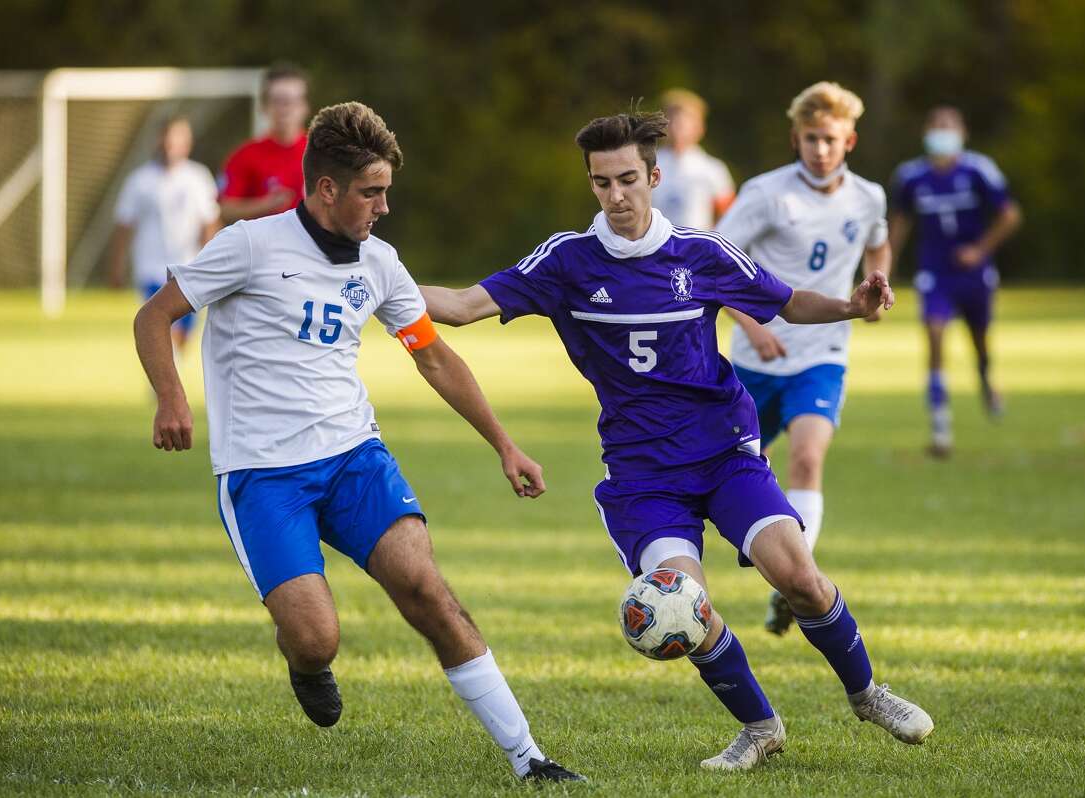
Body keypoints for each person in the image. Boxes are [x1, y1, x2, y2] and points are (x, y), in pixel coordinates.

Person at [421, 109, 933, 772]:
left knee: (799, 576)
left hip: (723, 453)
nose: (616, 195)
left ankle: (868, 693)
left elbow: (783, 299)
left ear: (655, 176)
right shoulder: (567, 261)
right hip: (642, 477)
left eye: (628, 179)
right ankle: (759, 727)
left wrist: (852, 307)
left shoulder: (699, 253)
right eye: (602, 183)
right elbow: (462, 306)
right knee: (682, 608)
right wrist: (374, 283)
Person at [132, 101, 584, 783]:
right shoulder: (251, 244)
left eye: (386, 191)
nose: (384, 206)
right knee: (317, 639)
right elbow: (153, 316)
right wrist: (172, 398)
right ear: (326, 190)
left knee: (427, 589)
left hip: (353, 459)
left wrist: (505, 444)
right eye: (372, 192)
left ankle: (531, 760)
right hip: (263, 475)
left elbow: (434, 358)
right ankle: (304, 660)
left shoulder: (381, 263)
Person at [712, 82, 890, 636]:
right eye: (811, 138)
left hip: (823, 353)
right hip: (755, 361)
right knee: (724, 473)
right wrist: (752, 325)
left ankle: (797, 586)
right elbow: (714, 262)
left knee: (808, 461)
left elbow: (878, 242)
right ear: (796, 138)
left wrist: (877, 286)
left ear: (849, 141)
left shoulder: (868, 197)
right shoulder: (766, 193)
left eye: (830, 139)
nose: (820, 149)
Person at [888, 106, 1022, 457]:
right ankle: (940, 426)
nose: (941, 132)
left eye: (948, 126)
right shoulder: (911, 176)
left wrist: (980, 250)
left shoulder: (979, 169)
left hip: (974, 273)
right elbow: (899, 222)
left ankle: (985, 378)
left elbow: (1009, 215)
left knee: (979, 339)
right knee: (934, 333)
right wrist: (887, 268)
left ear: (963, 132)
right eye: (935, 125)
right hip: (935, 272)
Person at [109, 116, 219, 355]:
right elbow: (124, 225)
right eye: (168, 138)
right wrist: (117, 266)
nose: (172, 144)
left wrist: (209, 260)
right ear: (160, 140)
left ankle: (167, 378)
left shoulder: (198, 177)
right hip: (151, 269)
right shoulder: (140, 180)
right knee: (161, 326)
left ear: (187, 142)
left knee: (182, 337)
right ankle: (164, 389)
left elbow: (209, 221)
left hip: (189, 267)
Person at [218, 63, 310, 223]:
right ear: (264, 106)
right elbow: (224, 209)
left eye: (292, 101)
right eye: (278, 101)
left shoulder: (324, 153)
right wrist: (265, 205)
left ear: (305, 106)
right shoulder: (244, 155)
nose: (285, 108)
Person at [651, 88, 736, 230]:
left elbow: (729, 215)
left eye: (685, 123)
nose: (678, 128)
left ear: (700, 127)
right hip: (655, 248)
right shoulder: (648, 165)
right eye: (673, 121)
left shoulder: (713, 168)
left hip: (697, 248)